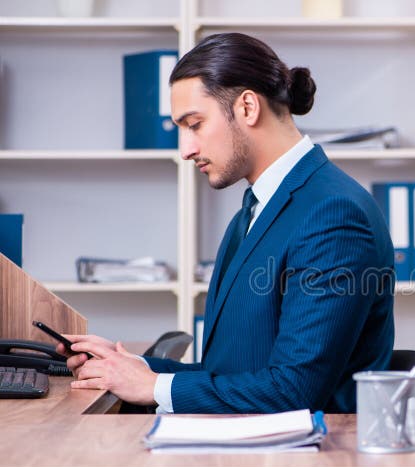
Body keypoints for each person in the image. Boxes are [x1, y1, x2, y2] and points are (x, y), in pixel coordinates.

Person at [59, 33, 395, 413]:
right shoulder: (252, 212)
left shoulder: (333, 214)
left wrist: (152, 387)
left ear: (248, 107)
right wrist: (133, 368)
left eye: (195, 124)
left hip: (303, 462)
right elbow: (231, 373)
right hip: (249, 448)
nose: (185, 149)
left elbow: (293, 391)